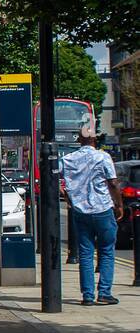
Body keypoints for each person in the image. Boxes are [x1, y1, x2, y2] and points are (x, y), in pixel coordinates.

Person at [60, 125, 124, 306]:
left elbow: (53, 178)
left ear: (79, 140)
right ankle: (104, 293)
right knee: (106, 251)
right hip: (103, 209)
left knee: (86, 254)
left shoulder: (68, 159)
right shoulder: (103, 157)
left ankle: (87, 296)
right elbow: (112, 183)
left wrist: (68, 196)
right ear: (95, 139)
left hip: (81, 211)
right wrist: (119, 205)